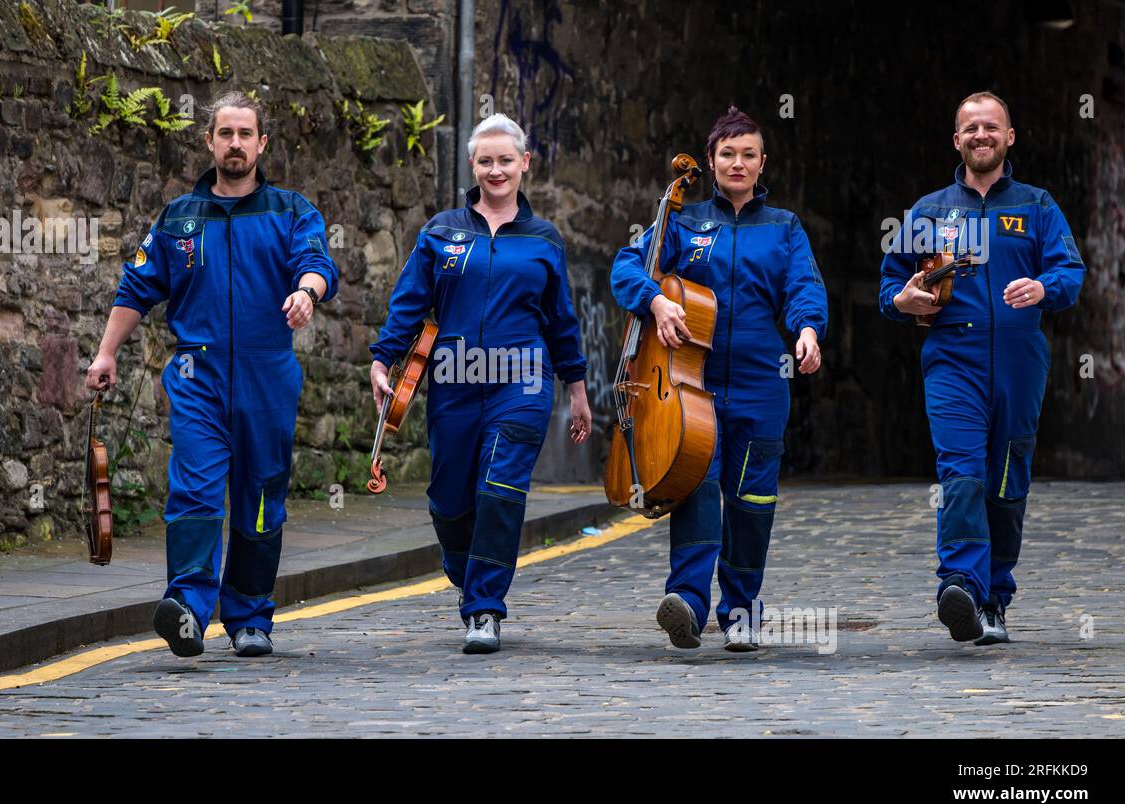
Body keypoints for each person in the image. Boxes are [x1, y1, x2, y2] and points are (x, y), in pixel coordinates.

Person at [86, 91, 338, 658]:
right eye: (225, 133)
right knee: (195, 490)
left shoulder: (291, 210)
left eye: (245, 134)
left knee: (259, 498)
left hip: (267, 373)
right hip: (198, 374)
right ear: (209, 142)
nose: (235, 144)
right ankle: (190, 610)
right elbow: (137, 288)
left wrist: (306, 293)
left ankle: (250, 614)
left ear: (261, 143)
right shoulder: (179, 218)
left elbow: (318, 263)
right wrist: (106, 354)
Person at [369, 114, 591, 654]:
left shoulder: (544, 239)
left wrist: (577, 387)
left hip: (523, 380)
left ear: (524, 164)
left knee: (499, 489)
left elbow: (562, 320)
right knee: (448, 501)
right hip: (453, 378)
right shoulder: (442, 231)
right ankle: (469, 575)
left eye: (506, 160)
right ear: (473, 165)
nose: (497, 170)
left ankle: (485, 609)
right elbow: (409, 303)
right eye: (486, 161)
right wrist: (383, 359)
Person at [610, 106, 828, 651]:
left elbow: (804, 287)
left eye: (748, 154)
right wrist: (656, 300)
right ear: (710, 161)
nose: (737, 163)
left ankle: (741, 611)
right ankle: (686, 600)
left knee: (753, 502)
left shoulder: (783, 228)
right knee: (696, 490)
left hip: (760, 385)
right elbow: (626, 268)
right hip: (691, 387)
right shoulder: (681, 222)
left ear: (761, 163)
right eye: (727, 154)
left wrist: (806, 329)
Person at [880, 91, 1085, 646]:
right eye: (970, 128)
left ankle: (994, 597)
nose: (981, 136)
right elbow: (889, 285)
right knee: (961, 473)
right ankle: (961, 586)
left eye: (991, 127)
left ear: (1009, 136)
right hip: (953, 362)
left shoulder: (1037, 206)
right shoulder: (929, 212)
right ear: (956, 140)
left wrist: (1044, 286)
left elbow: (1070, 273)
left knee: (1006, 481)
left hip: (1020, 364)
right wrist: (902, 302)